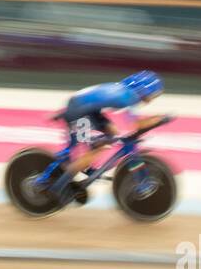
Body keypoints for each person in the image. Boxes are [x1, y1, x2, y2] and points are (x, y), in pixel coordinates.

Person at [50, 71, 169, 200]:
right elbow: (136, 125)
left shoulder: (125, 90)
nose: (150, 100)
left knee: (112, 133)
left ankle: (87, 166)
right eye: (152, 95)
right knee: (94, 151)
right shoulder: (130, 96)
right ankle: (57, 189)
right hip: (79, 109)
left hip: (85, 107)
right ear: (143, 90)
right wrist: (159, 119)